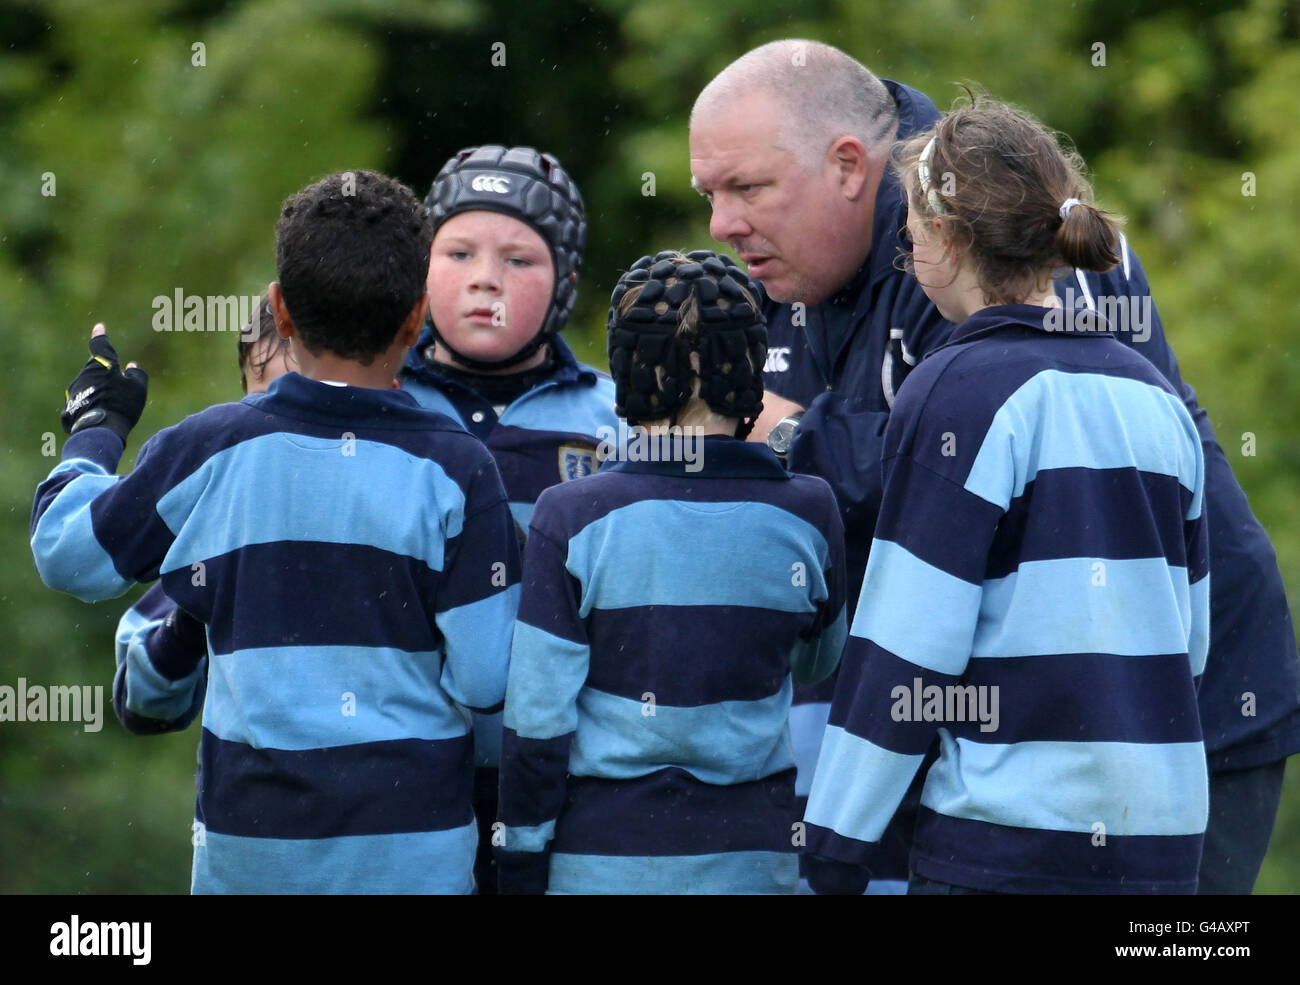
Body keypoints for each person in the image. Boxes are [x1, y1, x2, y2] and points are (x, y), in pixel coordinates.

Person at [689, 39, 1300, 894]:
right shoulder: (808, 268)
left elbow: (915, 509)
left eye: (747, 187)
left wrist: (791, 445)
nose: (722, 223)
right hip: (1006, 735)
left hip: (1168, 725)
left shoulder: (990, 244)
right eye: (708, 194)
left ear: (850, 165)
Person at [31, 170, 521, 894]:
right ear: (417, 318)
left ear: (280, 311)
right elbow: (487, 679)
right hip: (412, 866)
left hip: (252, 864)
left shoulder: (211, 449)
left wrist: (96, 431)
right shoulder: (458, 469)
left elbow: (67, 553)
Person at [804, 99, 1209, 894]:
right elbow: (1185, 645)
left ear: (947, 238)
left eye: (911, 230)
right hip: (1161, 848)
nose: (905, 247)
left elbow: (907, 647)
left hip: (1007, 846)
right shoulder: (1155, 396)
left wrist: (834, 842)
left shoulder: (953, 390)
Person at [495, 250, 848, 894]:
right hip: (754, 861)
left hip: (599, 863)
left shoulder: (572, 515)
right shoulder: (809, 509)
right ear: (748, 380)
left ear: (626, 376)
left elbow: (538, 719)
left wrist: (519, 855)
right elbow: (817, 663)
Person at [398, 145, 619, 893]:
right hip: (399, 797)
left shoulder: (620, 420)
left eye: (520, 259)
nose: (485, 276)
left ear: (567, 286)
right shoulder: (372, 405)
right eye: (457, 251)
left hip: (570, 798)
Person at [113, 295, 297, 738]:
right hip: (248, 793)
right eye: (263, 404)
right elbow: (142, 703)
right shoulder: (229, 520)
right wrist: (189, 622)